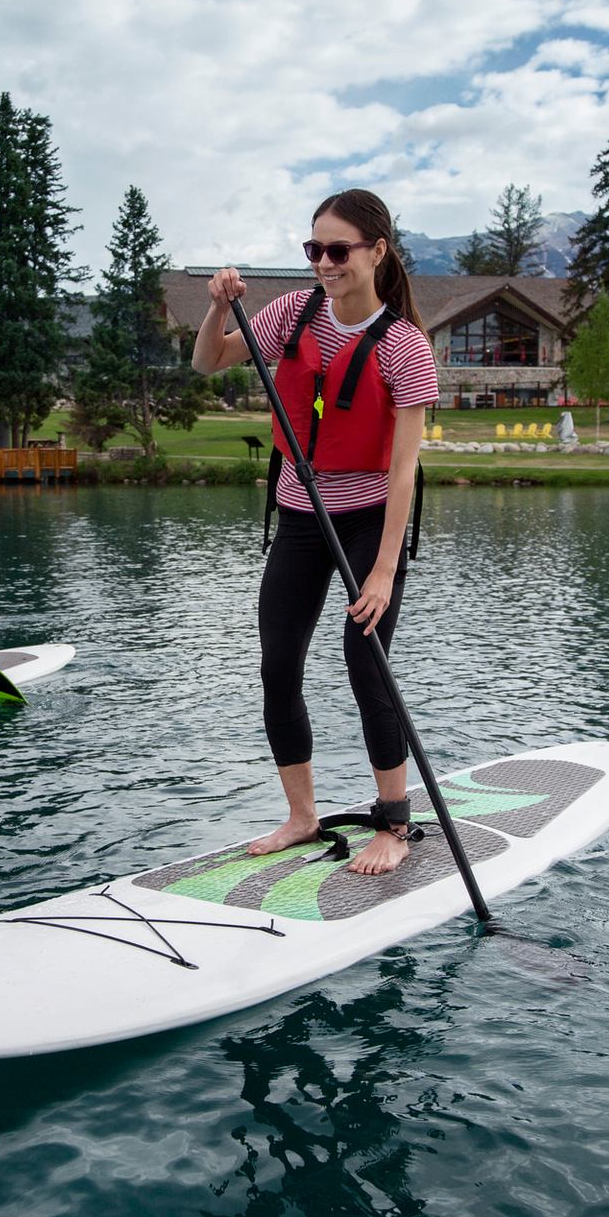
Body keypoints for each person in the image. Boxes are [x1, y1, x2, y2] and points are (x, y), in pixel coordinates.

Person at [192, 189, 437, 875]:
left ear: (377, 252)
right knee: (278, 666)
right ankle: (302, 816)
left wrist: (385, 570)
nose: (324, 263)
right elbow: (208, 362)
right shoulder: (288, 314)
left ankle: (394, 822)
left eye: (338, 250)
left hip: (366, 524)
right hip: (301, 515)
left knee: (367, 664)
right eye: (314, 250)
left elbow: (403, 474)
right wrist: (216, 308)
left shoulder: (405, 348)